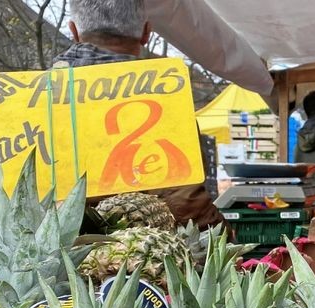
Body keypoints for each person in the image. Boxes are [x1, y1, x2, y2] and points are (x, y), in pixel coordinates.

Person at [56, 0, 223, 227]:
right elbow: (185, 202)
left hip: (60, 252)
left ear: (73, 31)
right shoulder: (167, 100)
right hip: (148, 249)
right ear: (146, 32)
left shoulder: (33, 100)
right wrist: (221, 235)